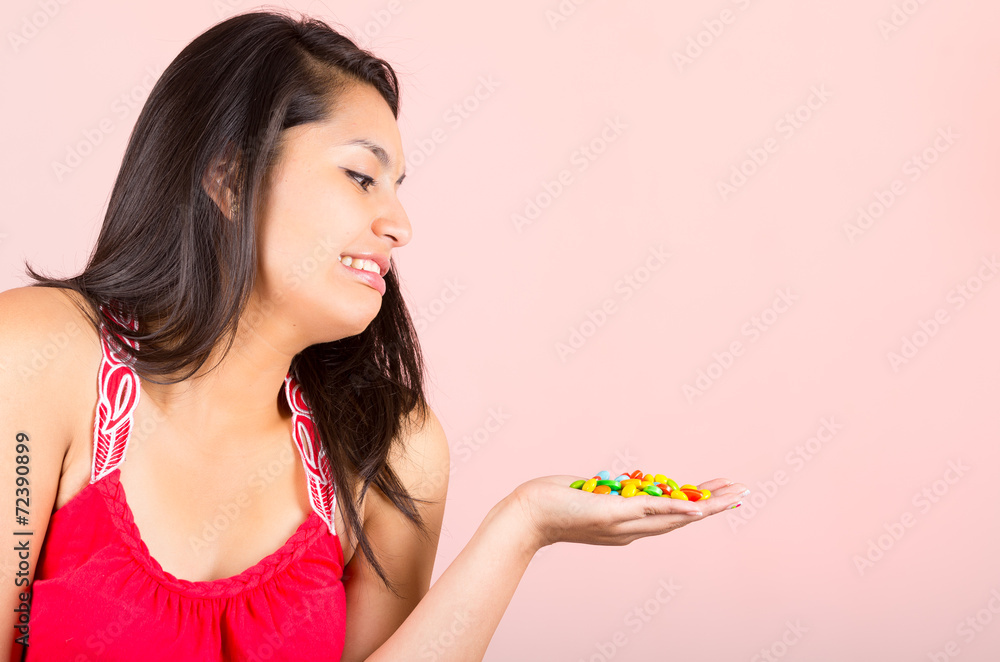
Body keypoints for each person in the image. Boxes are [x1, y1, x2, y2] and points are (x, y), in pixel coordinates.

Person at [0, 9, 749, 661]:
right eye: (362, 177)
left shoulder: (390, 447)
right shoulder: (38, 357)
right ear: (229, 180)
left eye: (397, 188)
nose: (400, 225)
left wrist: (524, 525)